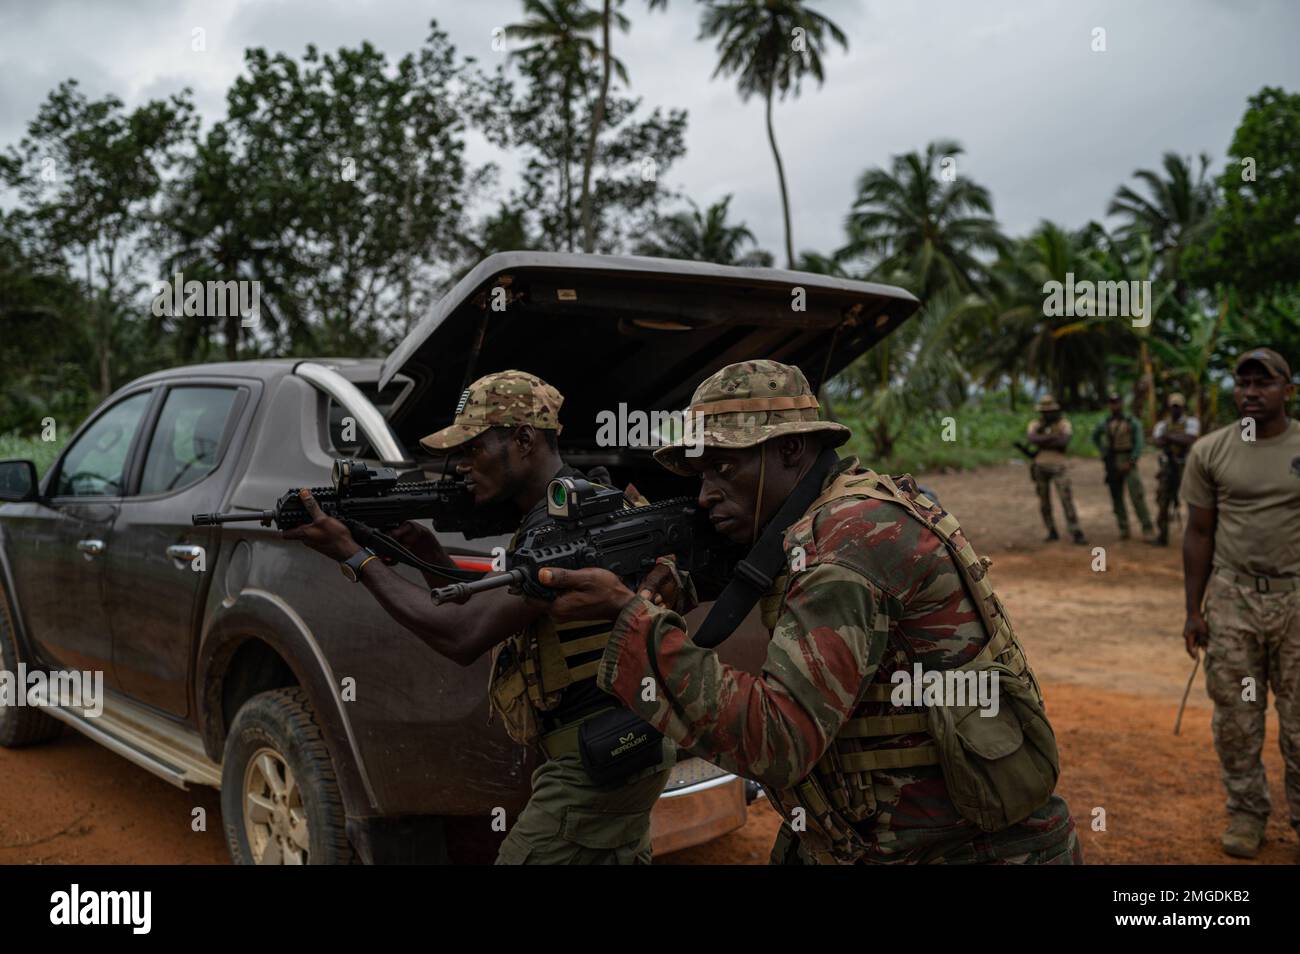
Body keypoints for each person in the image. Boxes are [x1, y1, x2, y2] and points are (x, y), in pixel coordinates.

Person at [535, 360, 1081, 865]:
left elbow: (776, 743)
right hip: (883, 837)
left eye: (725, 466)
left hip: (969, 851)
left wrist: (634, 620)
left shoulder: (844, 542)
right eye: (701, 473)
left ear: (792, 449)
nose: (705, 494)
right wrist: (687, 581)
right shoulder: (846, 504)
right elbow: (764, 568)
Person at [282, 370, 679, 864]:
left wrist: (354, 557)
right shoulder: (563, 509)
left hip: (597, 760)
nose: (463, 466)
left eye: (473, 448)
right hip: (616, 747)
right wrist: (429, 555)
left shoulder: (569, 525)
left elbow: (464, 637)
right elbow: (493, 616)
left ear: (524, 439)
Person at [1180, 347, 1300, 859]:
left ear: (1288, 391)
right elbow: (1199, 532)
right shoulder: (1211, 451)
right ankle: (1247, 813)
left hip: (1297, 599)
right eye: (1243, 383)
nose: (1251, 392)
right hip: (1232, 601)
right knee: (1236, 716)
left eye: (1264, 383)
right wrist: (1193, 610)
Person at [1090, 392, 1156, 541]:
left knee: (1137, 496)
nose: (1115, 405)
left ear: (1121, 403)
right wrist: (1103, 451)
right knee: (1116, 497)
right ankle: (1123, 528)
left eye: (1117, 402)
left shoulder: (1132, 422)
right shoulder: (1105, 422)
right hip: (1112, 461)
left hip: (1127, 459)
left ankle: (1147, 528)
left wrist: (1131, 461)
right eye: (1112, 402)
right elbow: (1095, 437)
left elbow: (1139, 443)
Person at [1027, 395, 1087, 544]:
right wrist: (1053, 438)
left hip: (1059, 465)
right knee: (1044, 501)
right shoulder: (1036, 424)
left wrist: (1044, 440)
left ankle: (1075, 530)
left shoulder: (1063, 423)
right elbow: (1032, 438)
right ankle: (1051, 530)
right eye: (1044, 411)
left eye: (1049, 411)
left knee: (1066, 498)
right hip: (1040, 465)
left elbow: (1064, 441)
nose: (1046, 414)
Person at [1151, 392, 1200, 546]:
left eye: (1178, 407)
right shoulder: (1162, 425)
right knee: (1163, 499)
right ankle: (1162, 534)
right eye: (1173, 407)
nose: (1175, 410)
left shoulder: (1191, 422)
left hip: (1186, 465)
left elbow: (1190, 439)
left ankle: (1197, 534)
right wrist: (1177, 436)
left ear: (1183, 408)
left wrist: (1169, 436)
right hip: (1167, 466)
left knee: (1194, 499)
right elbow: (1157, 441)